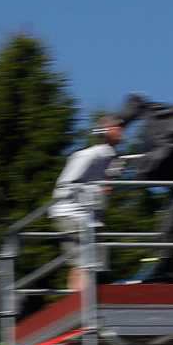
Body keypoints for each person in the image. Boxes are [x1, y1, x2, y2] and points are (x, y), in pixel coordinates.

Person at [52, 114, 126, 294]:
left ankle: (82, 301)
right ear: (107, 131)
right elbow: (65, 186)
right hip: (71, 214)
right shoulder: (87, 155)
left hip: (90, 218)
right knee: (83, 262)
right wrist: (95, 192)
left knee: (92, 264)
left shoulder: (111, 158)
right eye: (118, 127)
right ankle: (80, 305)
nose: (123, 132)